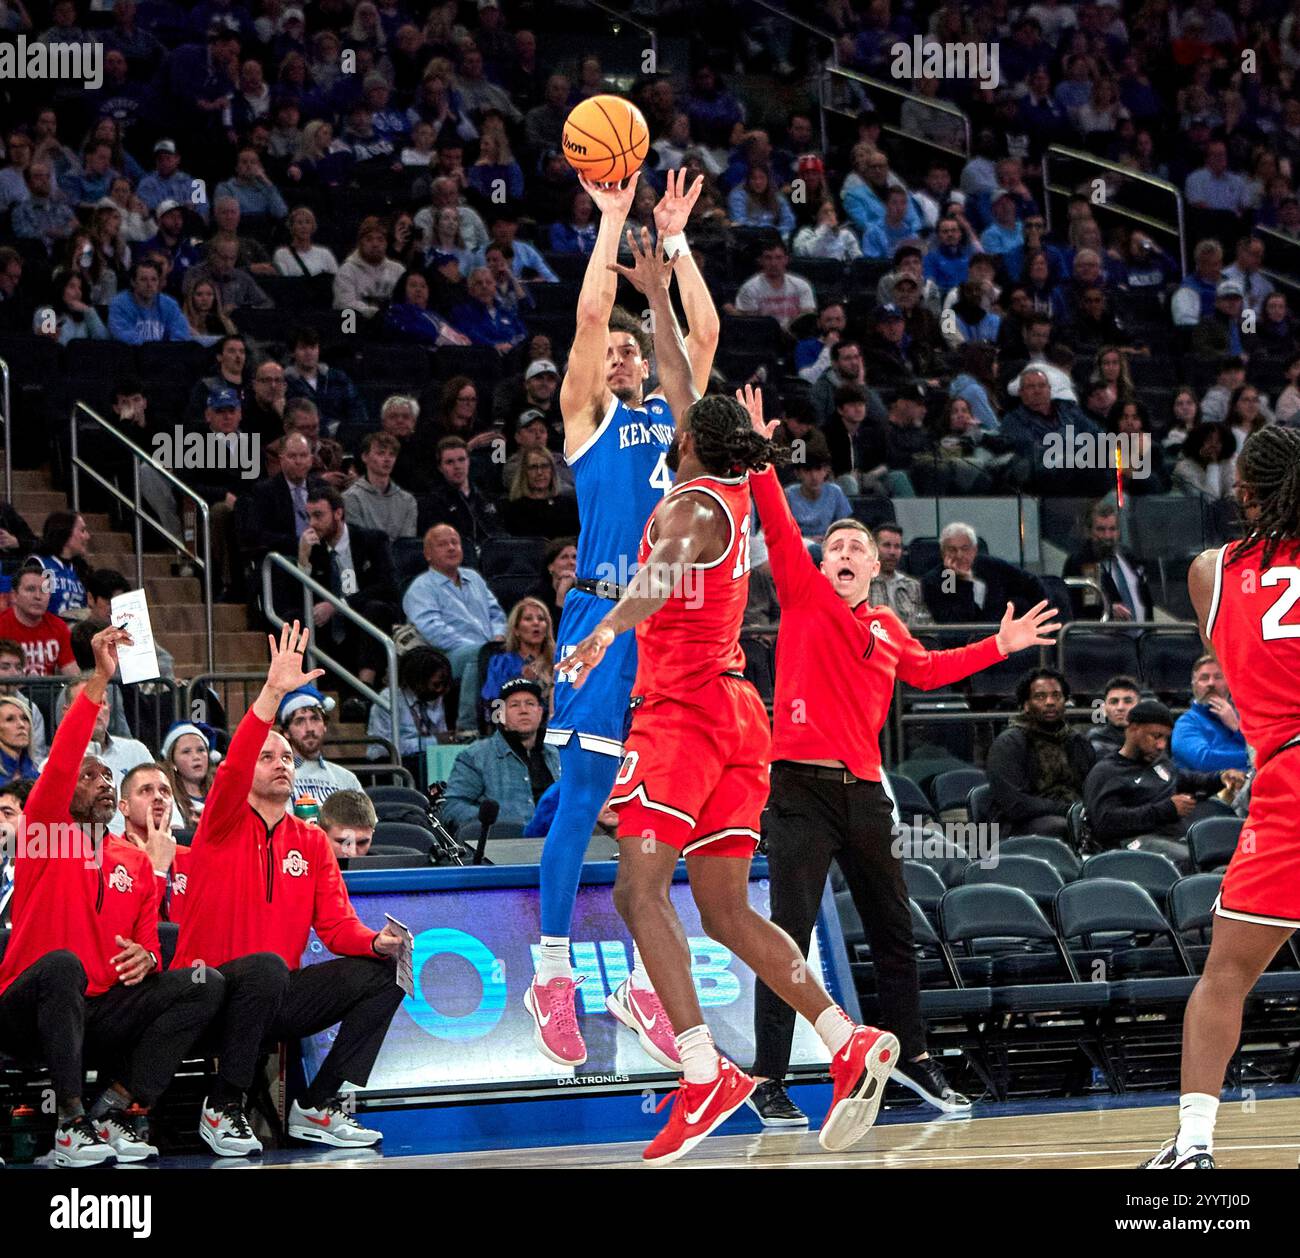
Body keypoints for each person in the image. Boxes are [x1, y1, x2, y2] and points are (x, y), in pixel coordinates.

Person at [561, 378, 894, 1166]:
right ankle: (843, 1037)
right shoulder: (736, 489)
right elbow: (688, 386)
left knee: (637, 891)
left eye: (678, 427)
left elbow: (662, 572)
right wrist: (668, 293)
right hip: (740, 715)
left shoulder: (691, 509)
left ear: (686, 443)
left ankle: (703, 1072)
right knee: (724, 910)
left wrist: (606, 629)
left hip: (683, 716)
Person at [742, 383, 1060, 1123]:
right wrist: (761, 457)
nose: (846, 553)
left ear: (873, 569)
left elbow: (931, 671)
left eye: (857, 548)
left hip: (864, 793)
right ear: (821, 562)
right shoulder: (802, 593)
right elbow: (778, 521)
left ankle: (912, 1061)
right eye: (836, 547)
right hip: (797, 790)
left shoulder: (888, 626)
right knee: (787, 936)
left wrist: (1000, 644)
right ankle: (769, 1079)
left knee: (894, 934)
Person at [526, 171, 720, 1074]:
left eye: (630, 353)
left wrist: (676, 243)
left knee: (658, 806)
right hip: (603, 611)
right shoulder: (584, 421)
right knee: (583, 792)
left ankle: (642, 983)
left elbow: (703, 336)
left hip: (672, 628)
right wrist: (610, 223)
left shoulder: (680, 424)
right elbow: (590, 313)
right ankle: (551, 972)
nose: (617, 358)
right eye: (608, 353)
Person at [172, 623, 405, 1153]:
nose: (280, 764)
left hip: (275, 994)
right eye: (267, 756)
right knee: (266, 967)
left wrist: (375, 942)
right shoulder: (221, 822)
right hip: (208, 991)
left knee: (387, 975)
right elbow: (232, 765)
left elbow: (337, 926)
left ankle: (319, 1104)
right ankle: (223, 1105)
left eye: (286, 759)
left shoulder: (313, 840)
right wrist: (272, 694)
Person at [0, 626, 224, 1165]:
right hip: (26, 1010)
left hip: (100, 1010)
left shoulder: (135, 861)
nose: (102, 781)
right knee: (62, 965)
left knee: (204, 982)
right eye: (90, 777)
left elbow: (147, 943)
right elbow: (64, 756)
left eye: (107, 777)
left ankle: (115, 1106)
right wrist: (101, 678)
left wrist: (147, 957)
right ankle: (70, 1124)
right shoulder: (43, 835)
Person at [1142, 427, 1300, 1168]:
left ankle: (1194, 1145)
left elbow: (1232, 662)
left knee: (1227, 976)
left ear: (1244, 493)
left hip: (1287, 777)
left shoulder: (1211, 570)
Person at [1084, 700, 1244, 870]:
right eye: (1156, 736)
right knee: (1193, 860)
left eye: (1166, 738)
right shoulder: (1107, 772)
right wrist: (1166, 809)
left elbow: (1190, 780)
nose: (1161, 745)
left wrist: (1220, 777)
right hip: (1130, 847)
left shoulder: (1159, 764)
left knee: (1227, 854)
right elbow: (1104, 823)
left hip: (1173, 839)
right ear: (1133, 729)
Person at [296, 486, 401, 691]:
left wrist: (338, 605)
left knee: (375, 609)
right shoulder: (312, 549)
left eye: (318, 515)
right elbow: (303, 597)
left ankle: (364, 687)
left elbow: (387, 586)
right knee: (296, 618)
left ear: (338, 513)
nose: (312, 524)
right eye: (309, 517)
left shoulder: (372, 540)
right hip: (332, 626)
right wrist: (302, 561)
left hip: (366, 615)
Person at [402, 524, 505, 730]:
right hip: (444, 656)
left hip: (488, 648)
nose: (451, 548)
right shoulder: (421, 587)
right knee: (480, 656)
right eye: (442, 544)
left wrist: (499, 635)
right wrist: (481, 648)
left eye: (455, 543)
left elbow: (496, 613)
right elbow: (433, 630)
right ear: (428, 554)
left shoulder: (474, 578)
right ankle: (467, 727)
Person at [441, 676, 561, 834]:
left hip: (559, 840)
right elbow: (452, 806)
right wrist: (497, 824)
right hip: (505, 843)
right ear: (501, 715)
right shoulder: (475, 756)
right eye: (514, 705)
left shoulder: (560, 754)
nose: (523, 710)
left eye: (530, 704)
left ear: (540, 712)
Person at [985, 667, 1096, 838]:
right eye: (1040, 697)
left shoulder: (1077, 741)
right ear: (1026, 705)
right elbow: (1016, 805)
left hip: (1072, 815)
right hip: (1016, 825)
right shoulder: (1009, 743)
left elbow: (1092, 788)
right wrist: (1068, 810)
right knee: (1062, 826)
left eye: (1056, 696)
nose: (1050, 702)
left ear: (1065, 701)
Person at [920, 523, 1046, 623]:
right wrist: (964, 581)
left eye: (965, 548)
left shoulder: (992, 567)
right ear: (943, 553)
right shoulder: (936, 581)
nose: (959, 555)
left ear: (974, 550)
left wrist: (1044, 621)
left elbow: (1032, 584)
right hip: (963, 644)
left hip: (1001, 640)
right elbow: (956, 624)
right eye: (952, 550)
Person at [1064, 500, 1153, 622]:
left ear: (1119, 531)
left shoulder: (1129, 558)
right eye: (1101, 529)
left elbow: (1145, 599)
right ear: (1089, 532)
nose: (1107, 536)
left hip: (1142, 632)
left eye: (1112, 529)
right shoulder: (1081, 562)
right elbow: (1084, 605)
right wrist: (1109, 610)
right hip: (1105, 632)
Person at [366, 645, 450, 771]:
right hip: (394, 767)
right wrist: (434, 741)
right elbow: (381, 749)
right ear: (417, 680)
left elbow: (441, 738)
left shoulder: (435, 697)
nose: (441, 690)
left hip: (428, 763)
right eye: (436, 684)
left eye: (444, 684)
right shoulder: (389, 699)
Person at [277, 684, 363, 804]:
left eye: (315, 719)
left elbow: (364, 816)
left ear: (325, 726)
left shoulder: (346, 779)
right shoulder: (277, 777)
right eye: (300, 721)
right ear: (286, 732)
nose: (309, 728)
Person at [1171, 655, 1250, 773]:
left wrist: (1236, 727)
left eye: (1218, 677)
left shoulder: (1245, 719)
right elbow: (1203, 760)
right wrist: (1252, 759)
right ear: (1194, 685)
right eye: (1204, 678)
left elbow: (1263, 748)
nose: (1211, 683)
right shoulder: (1186, 723)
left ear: (1229, 683)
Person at [0, 562, 78, 676]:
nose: (38, 596)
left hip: (49, 687)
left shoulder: (59, 627)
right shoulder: (2, 625)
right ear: (14, 596)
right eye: (30, 589)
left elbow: (72, 673)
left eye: (44, 590)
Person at [342, 431, 418, 541]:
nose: (387, 459)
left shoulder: (408, 500)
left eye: (392, 454)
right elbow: (358, 541)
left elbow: (407, 543)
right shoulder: (350, 498)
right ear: (365, 457)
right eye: (381, 453)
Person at [28, 510, 91, 618]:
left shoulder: (82, 569)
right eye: (82, 530)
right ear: (66, 533)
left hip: (79, 627)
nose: (87, 536)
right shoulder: (39, 564)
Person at [868, 522, 931, 625]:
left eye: (897, 546)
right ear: (873, 548)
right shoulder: (862, 585)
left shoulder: (913, 586)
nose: (892, 552)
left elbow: (926, 625)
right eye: (887, 545)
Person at [161, 720, 218, 829]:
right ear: (172, 762)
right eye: (186, 752)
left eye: (201, 750)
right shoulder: (168, 798)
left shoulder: (222, 789)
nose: (196, 757)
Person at [1089, 674, 1141, 756]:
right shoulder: (1094, 742)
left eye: (1128, 701)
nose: (1120, 707)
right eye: (1113, 702)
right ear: (1104, 708)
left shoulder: (1152, 739)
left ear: (1140, 706)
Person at [319, 789, 377, 860]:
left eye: (362, 843)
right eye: (343, 842)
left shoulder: (383, 865)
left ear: (372, 833)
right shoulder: (307, 864)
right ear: (321, 835)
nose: (353, 854)